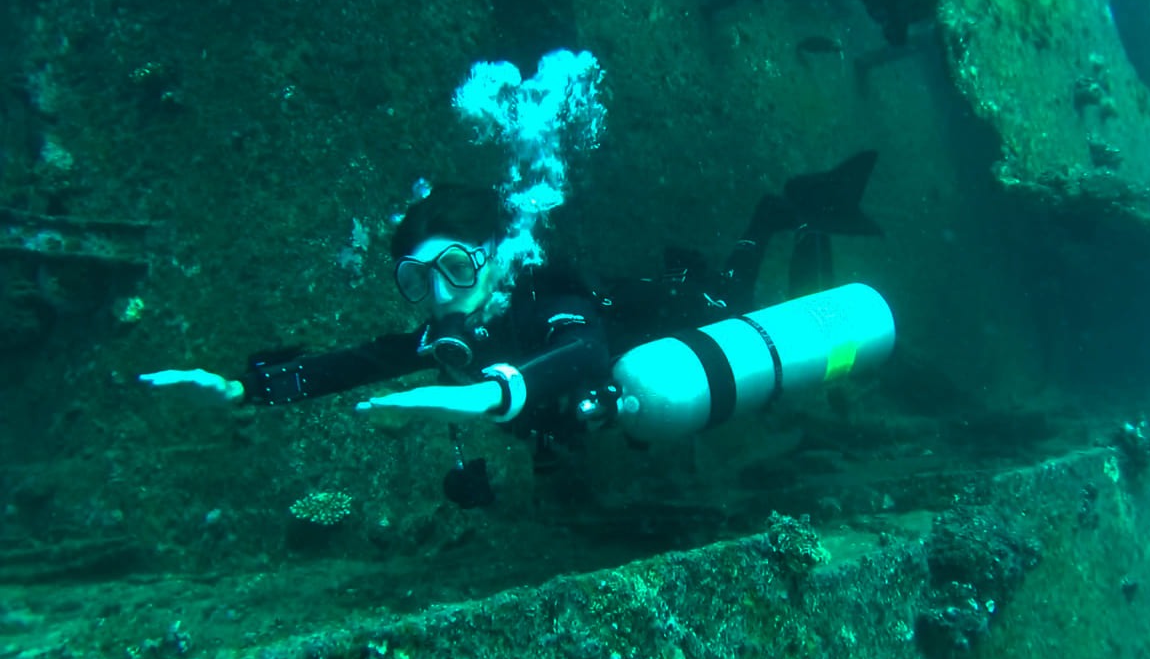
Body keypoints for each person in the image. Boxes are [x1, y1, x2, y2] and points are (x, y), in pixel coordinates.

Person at [141, 151, 881, 506]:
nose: (440, 296)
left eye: (458, 269)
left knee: (730, 304)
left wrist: (492, 395)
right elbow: (356, 363)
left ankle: (775, 216)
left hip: (664, 333)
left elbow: (583, 347)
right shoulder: (444, 335)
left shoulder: (546, 294)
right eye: (415, 280)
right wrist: (244, 390)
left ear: (497, 259)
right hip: (583, 420)